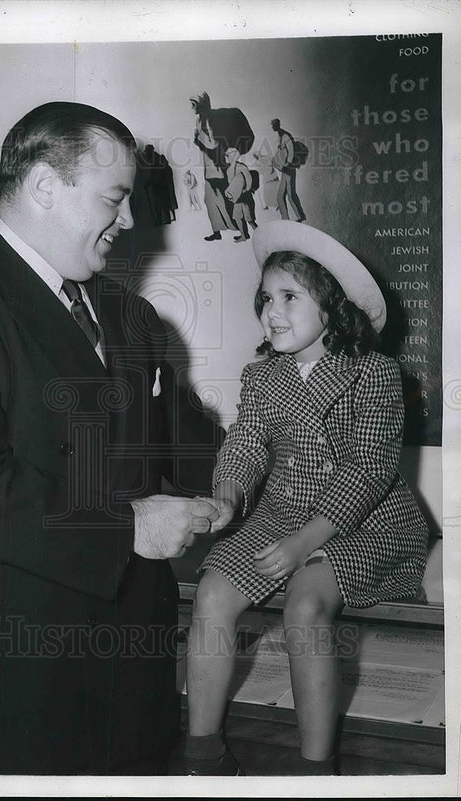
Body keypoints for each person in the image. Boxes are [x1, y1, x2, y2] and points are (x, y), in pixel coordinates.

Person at [0, 101, 223, 776]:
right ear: (45, 186)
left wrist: (269, 457)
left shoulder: (131, 314)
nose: (128, 222)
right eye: (115, 198)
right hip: (9, 693)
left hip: (130, 689)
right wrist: (126, 527)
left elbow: (188, 442)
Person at [180, 221, 429, 776]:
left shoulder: (376, 374)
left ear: (333, 307)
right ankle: (204, 755)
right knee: (213, 596)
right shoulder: (263, 376)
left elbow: (368, 471)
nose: (273, 311)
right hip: (282, 513)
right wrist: (228, 493)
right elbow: (245, 443)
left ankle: (319, 769)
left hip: (368, 522)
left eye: (291, 297)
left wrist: (304, 545)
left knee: (305, 606)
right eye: (267, 298)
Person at [189, 91, 254, 242]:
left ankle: (242, 229)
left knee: (229, 199)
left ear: (201, 104)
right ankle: (217, 232)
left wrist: (198, 138)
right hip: (209, 165)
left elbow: (212, 143)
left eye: (193, 105)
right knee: (210, 200)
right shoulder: (199, 120)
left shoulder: (211, 119)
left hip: (219, 165)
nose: (191, 108)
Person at [271, 118, 306, 223]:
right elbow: (284, 150)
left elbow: (291, 151)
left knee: (290, 194)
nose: (273, 127)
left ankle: (300, 216)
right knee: (280, 196)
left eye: (274, 125)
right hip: (285, 170)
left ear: (278, 125)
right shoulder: (280, 135)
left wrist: (288, 164)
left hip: (289, 169)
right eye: (272, 125)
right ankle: (285, 220)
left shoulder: (286, 136)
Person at [224, 147, 257, 243]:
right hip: (237, 199)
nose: (226, 158)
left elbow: (249, 179)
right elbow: (232, 184)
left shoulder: (241, 166)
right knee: (237, 217)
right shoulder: (229, 169)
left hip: (245, 197)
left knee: (249, 219)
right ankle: (244, 235)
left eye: (227, 156)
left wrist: (246, 190)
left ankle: (261, 234)